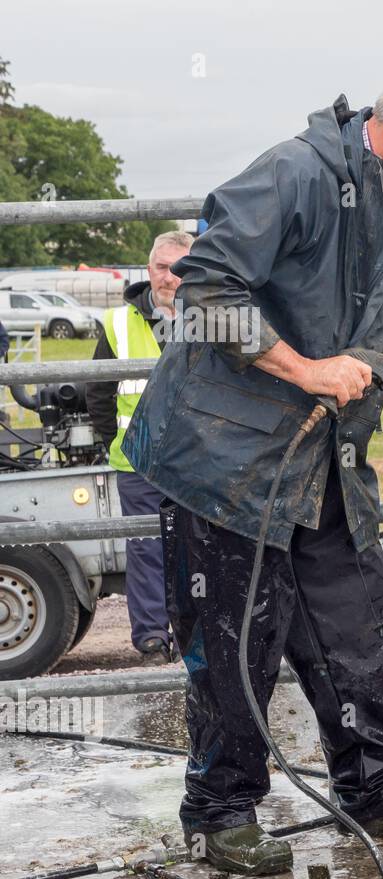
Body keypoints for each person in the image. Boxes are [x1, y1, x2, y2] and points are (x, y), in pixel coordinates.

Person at [122, 63, 383, 876]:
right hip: (228, 459)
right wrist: (305, 368)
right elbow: (205, 291)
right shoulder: (294, 174)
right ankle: (221, 813)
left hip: (327, 457)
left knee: (356, 623)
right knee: (236, 641)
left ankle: (378, 787)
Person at [87, 231, 192, 664]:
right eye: (161, 267)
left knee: (198, 547)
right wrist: (115, 440)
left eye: (179, 269)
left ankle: (198, 637)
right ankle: (152, 639)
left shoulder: (213, 317)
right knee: (148, 547)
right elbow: (99, 392)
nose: (169, 278)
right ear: (148, 269)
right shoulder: (118, 324)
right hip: (139, 462)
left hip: (197, 462)